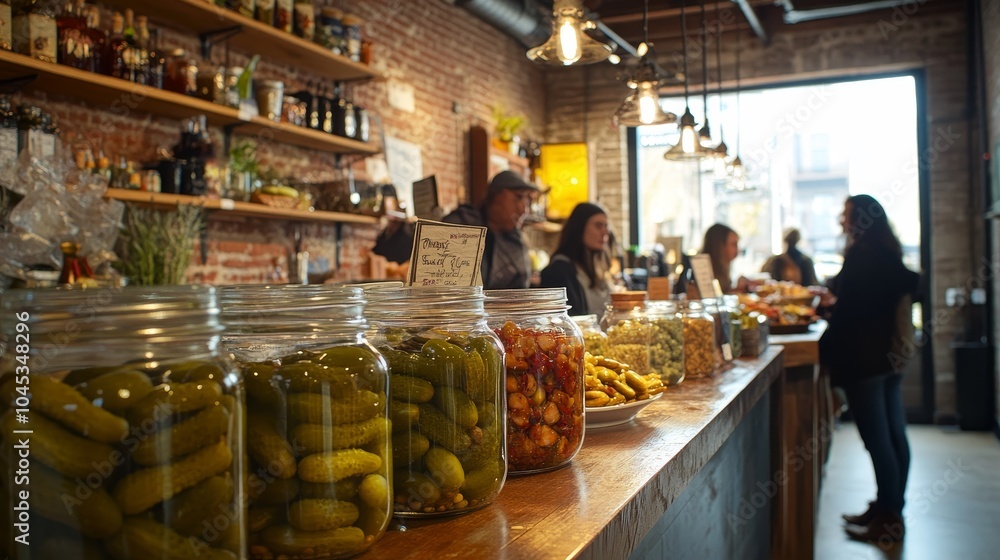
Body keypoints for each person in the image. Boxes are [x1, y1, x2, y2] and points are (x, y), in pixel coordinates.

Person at [818, 194, 919, 544]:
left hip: (866, 359)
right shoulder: (885, 249)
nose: (841, 220)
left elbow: (850, 311)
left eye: (845, 214)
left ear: (859, 218)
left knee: (878, 439)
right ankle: (888, 507)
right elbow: (905, 284)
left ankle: (889, 519)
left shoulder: (862, 254)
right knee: (893, 434)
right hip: (889, 356)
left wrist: (825, 337)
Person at [442, 170, 539, 290]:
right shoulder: (462, 222)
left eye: (527, 201)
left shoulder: (515, 239)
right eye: (518, 197)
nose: (524, 210)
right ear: (496, 195)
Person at [539, 202, 614, 316]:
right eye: (598, 226)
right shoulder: (559, 271)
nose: (605, 232)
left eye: (606, 226)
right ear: (580, 227)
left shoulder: (594, 267)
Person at [674, 223, 752, 296]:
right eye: (734, 244)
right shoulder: (700, 270)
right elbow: (708, 299)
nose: (737, 250)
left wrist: (738, 288)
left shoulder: (723, 269)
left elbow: (720, 295)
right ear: (719, 247)